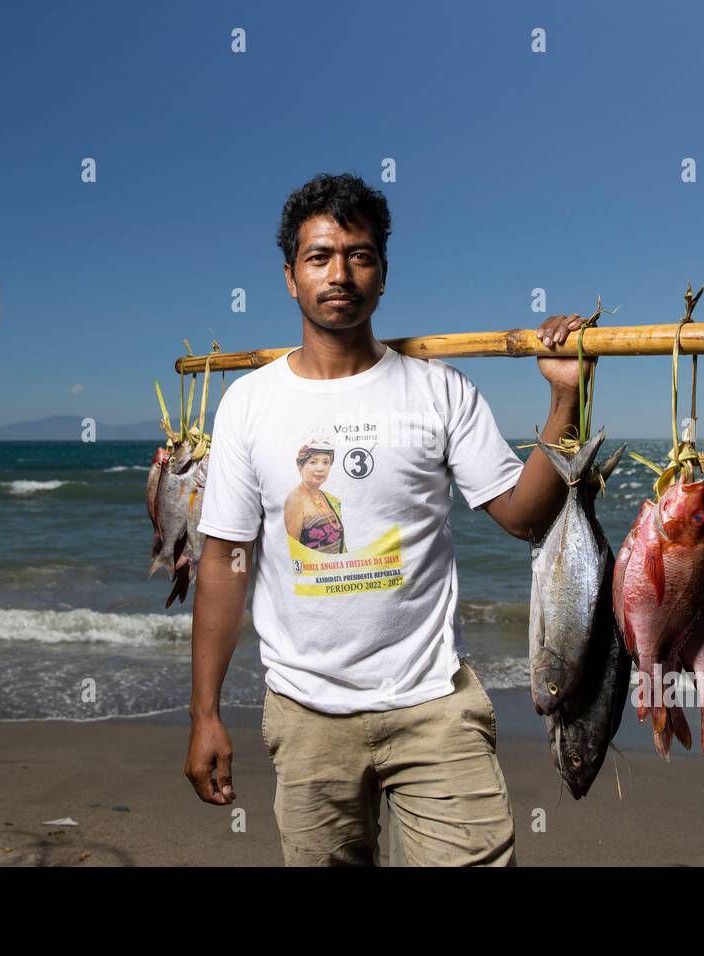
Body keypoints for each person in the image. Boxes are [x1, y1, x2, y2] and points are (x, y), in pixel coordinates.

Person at [183, 171, 596, 866]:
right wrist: (204, 715)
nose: (339, 273)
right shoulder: (249, 404)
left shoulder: (440, 391)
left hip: (434, 706)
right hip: (305, 712)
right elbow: (225, 564)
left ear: (382, 273)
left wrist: (564, 404)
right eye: (319, 257)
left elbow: (525, 516)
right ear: (290, 277)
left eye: (359, 255)